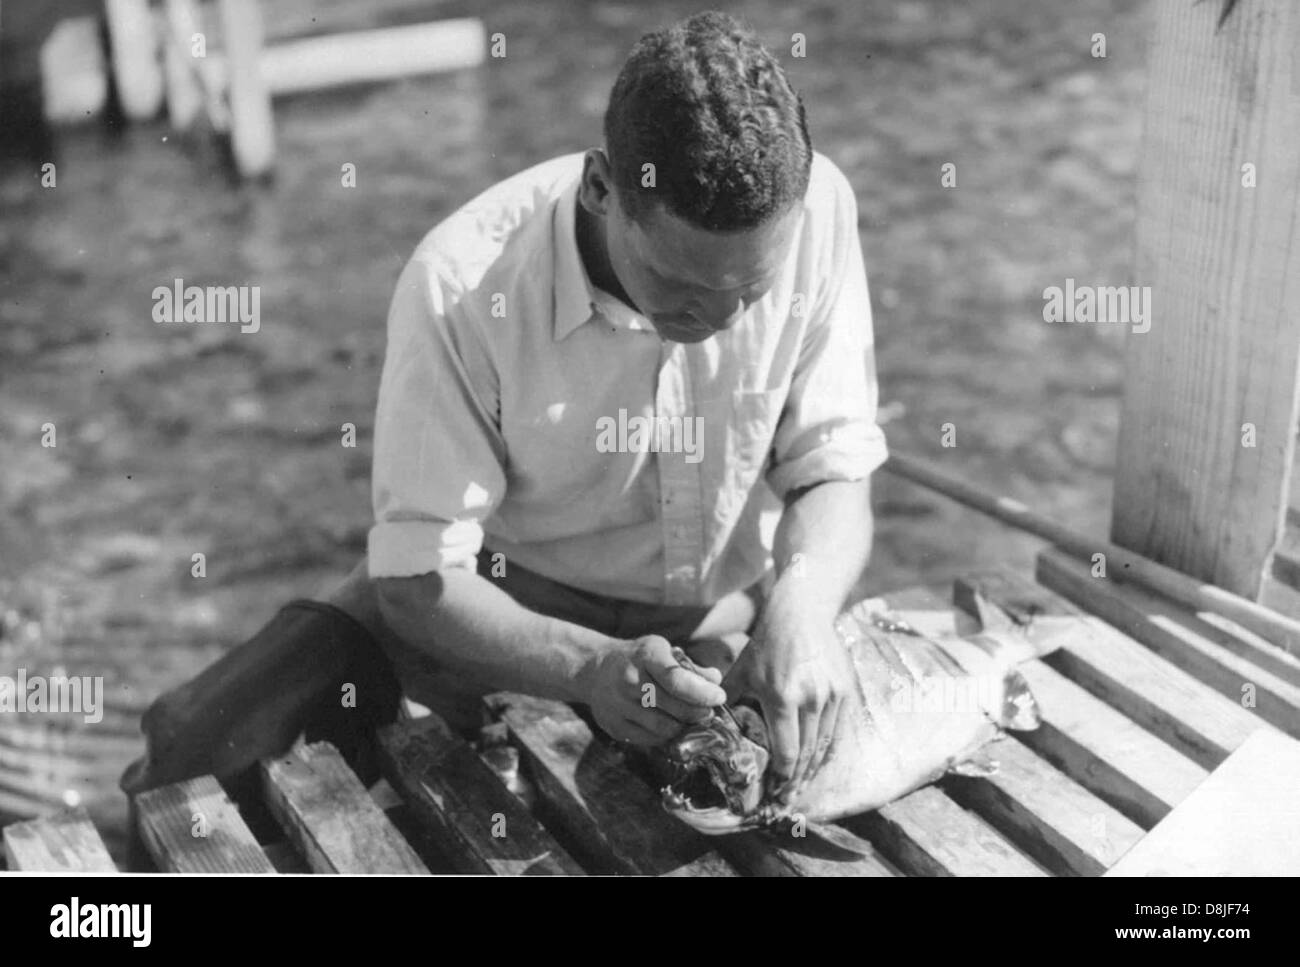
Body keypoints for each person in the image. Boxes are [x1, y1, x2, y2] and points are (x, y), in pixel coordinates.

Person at [122, 10, 888, 809]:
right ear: (599, 187)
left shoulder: (821, 208)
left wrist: (803, 603)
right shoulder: (460, 284)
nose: (723, 319)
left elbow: (833, 471)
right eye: (684, 287)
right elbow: (418, 581)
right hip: (506, 611)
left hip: (727, 620)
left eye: (751, 289)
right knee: (197, 759)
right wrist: (590, 667)